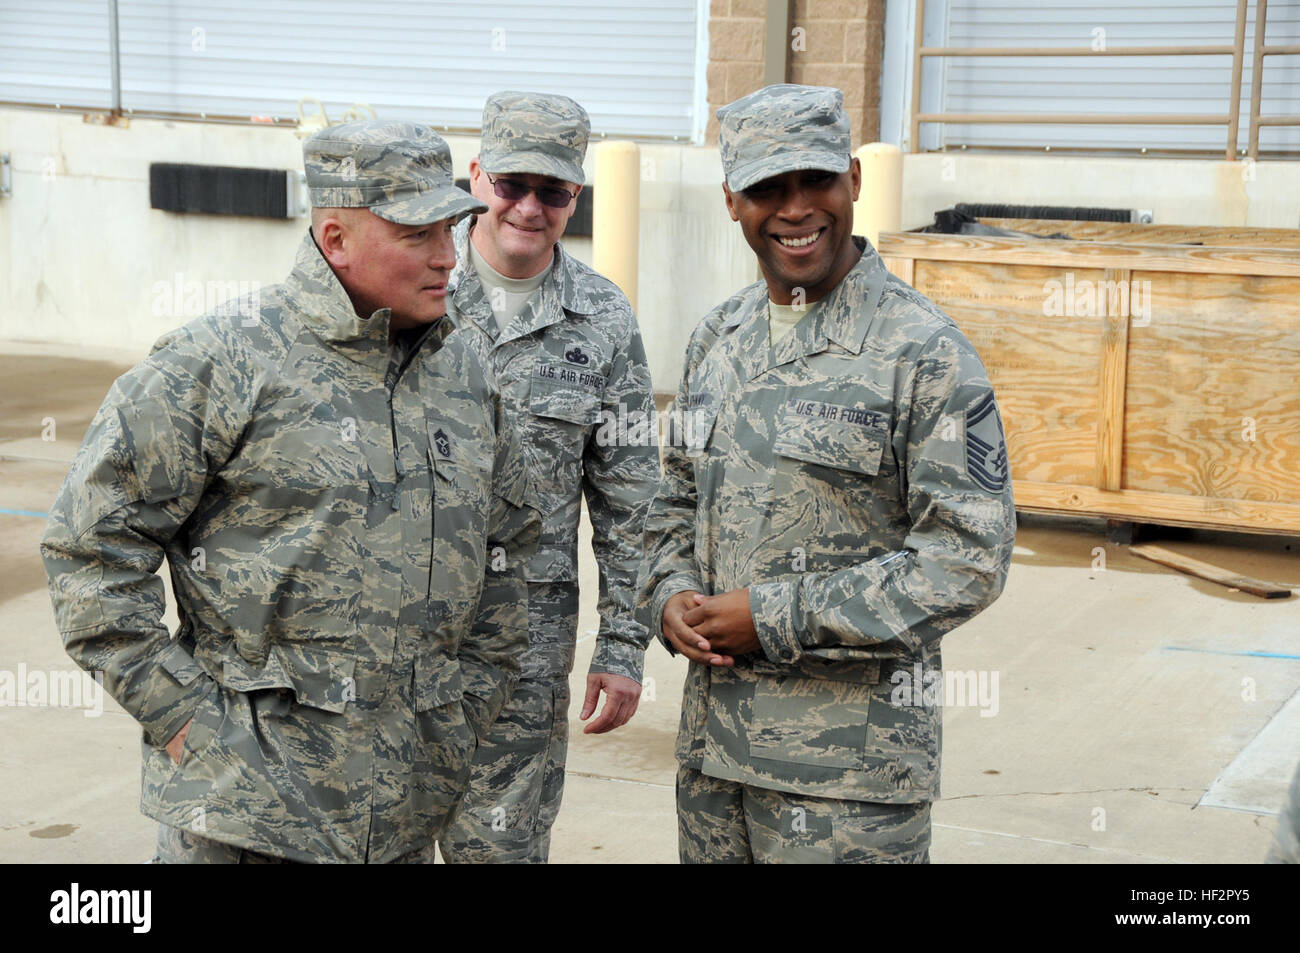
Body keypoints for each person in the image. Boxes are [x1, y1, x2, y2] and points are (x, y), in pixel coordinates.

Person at [40, 119, 539, 864]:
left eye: (453, 228)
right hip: (244, 822)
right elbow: (89, 549)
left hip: (404, 815)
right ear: (336, 238)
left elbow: (507, 551)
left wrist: (467, 709)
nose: (448, 257)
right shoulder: (223, 360)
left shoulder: (465, 372)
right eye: (417, 236)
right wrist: (183, 719)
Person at [636, 84, 1017, 864]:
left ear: (853, 178)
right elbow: (669, 500)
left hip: (850, 787)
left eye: (816, 181)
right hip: (714, 768)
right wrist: (667, 594)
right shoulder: (720, 337)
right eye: (767, 189)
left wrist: (774, 615)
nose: (796, 208)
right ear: (731, 201)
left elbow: (967, 557)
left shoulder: (926, 352)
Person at [438, 91, 661, 863]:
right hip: (396, 643)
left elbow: (632, 503)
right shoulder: (411, 288)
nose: (530, 208)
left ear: (575, 196)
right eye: (512, 185)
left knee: (500, 850)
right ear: (477, 176)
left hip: (523, 657)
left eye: (554, 191)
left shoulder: (603, 319)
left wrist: (624, 646)